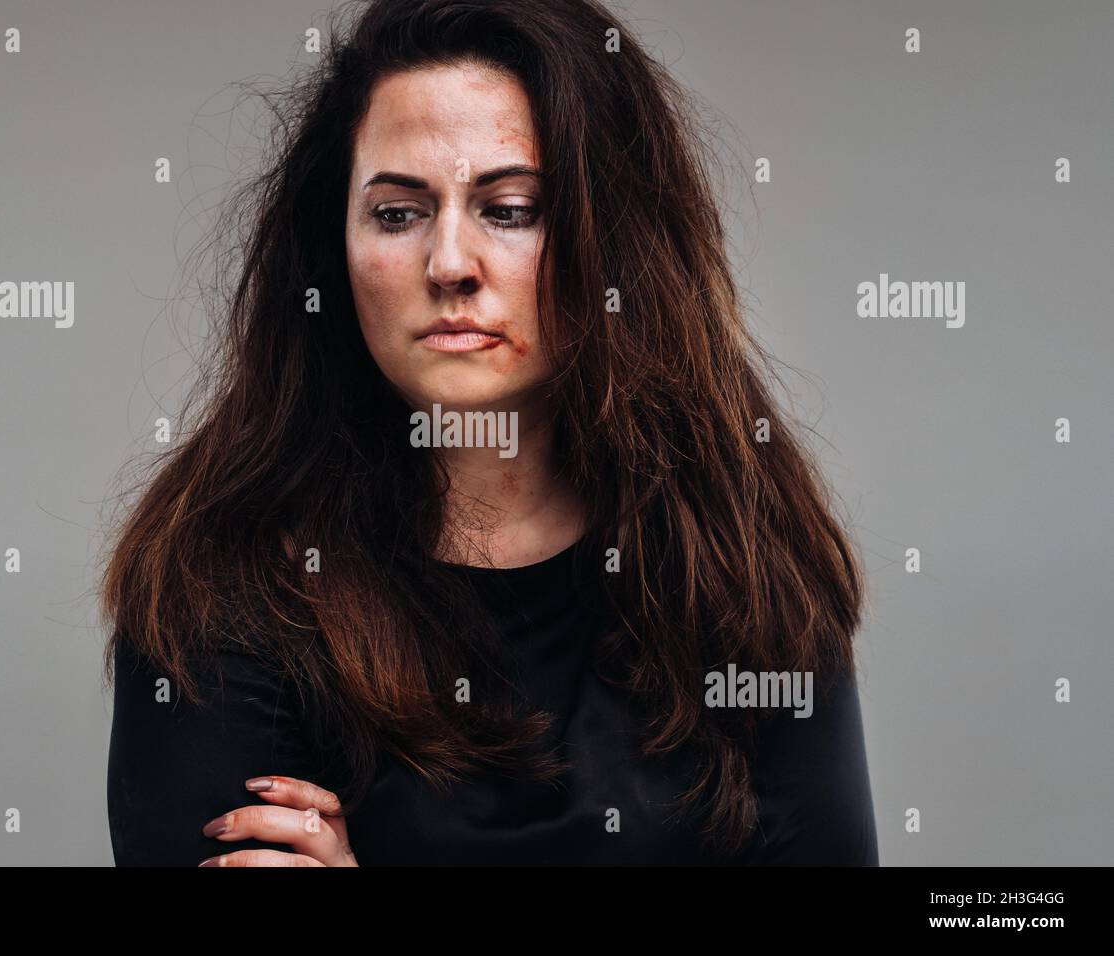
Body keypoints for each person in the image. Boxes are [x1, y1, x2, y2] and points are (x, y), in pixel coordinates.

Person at [102, 0, 879, 866]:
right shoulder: (226, 580)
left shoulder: (740, 554)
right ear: (335, 243)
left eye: (509, 208)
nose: (449, 265)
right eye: (397, 214)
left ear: (612, 241)